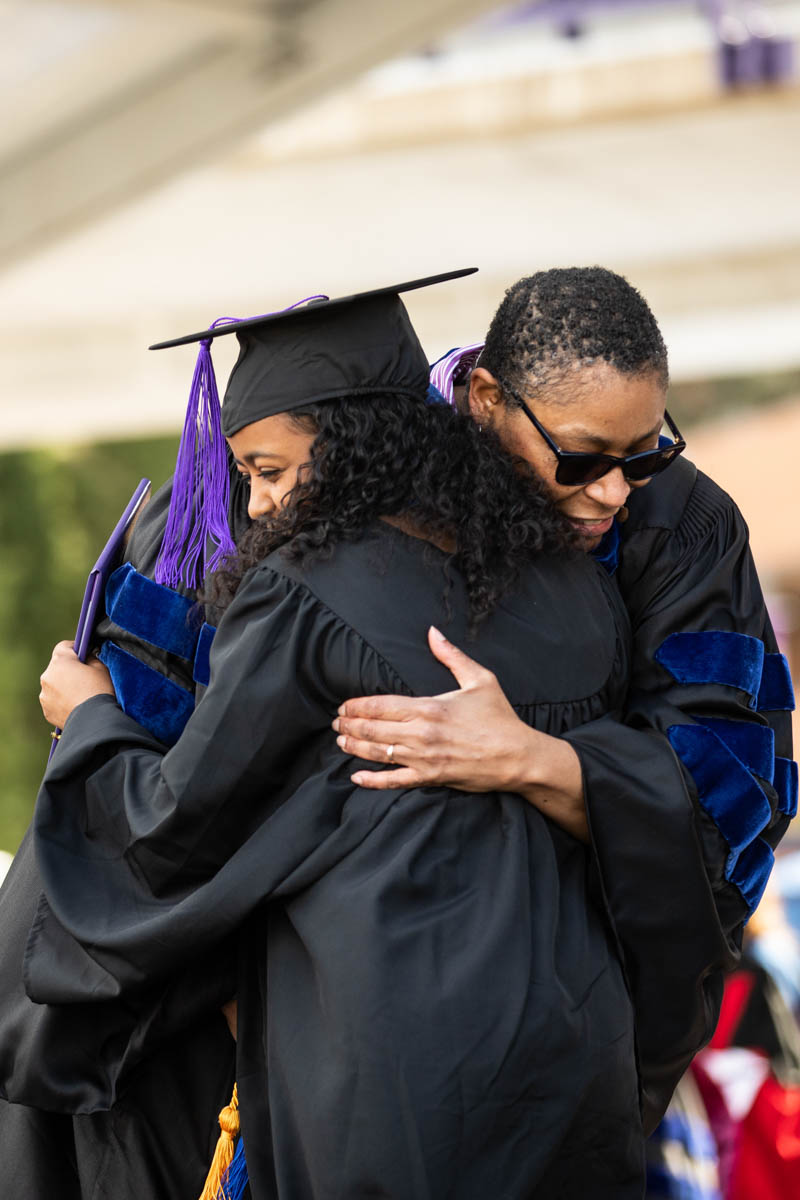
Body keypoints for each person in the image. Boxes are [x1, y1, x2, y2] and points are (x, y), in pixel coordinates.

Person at [30, 277, 648, 1198]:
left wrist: (88, 718)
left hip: (394, 1077)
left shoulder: (304, 597)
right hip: (574, 1073)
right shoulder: (577, 587)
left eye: (271, 470)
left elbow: (174, 831)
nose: (257, 506)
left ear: (355, 448)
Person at [333, 268, 797, 1129]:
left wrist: (533, 760)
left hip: (586, 1008)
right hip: (375, 1006)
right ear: (485, 399)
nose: (615, 490)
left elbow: (735, 794)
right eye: (582, 458)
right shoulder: (373, 485)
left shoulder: (685, 524)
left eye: (645, 452)